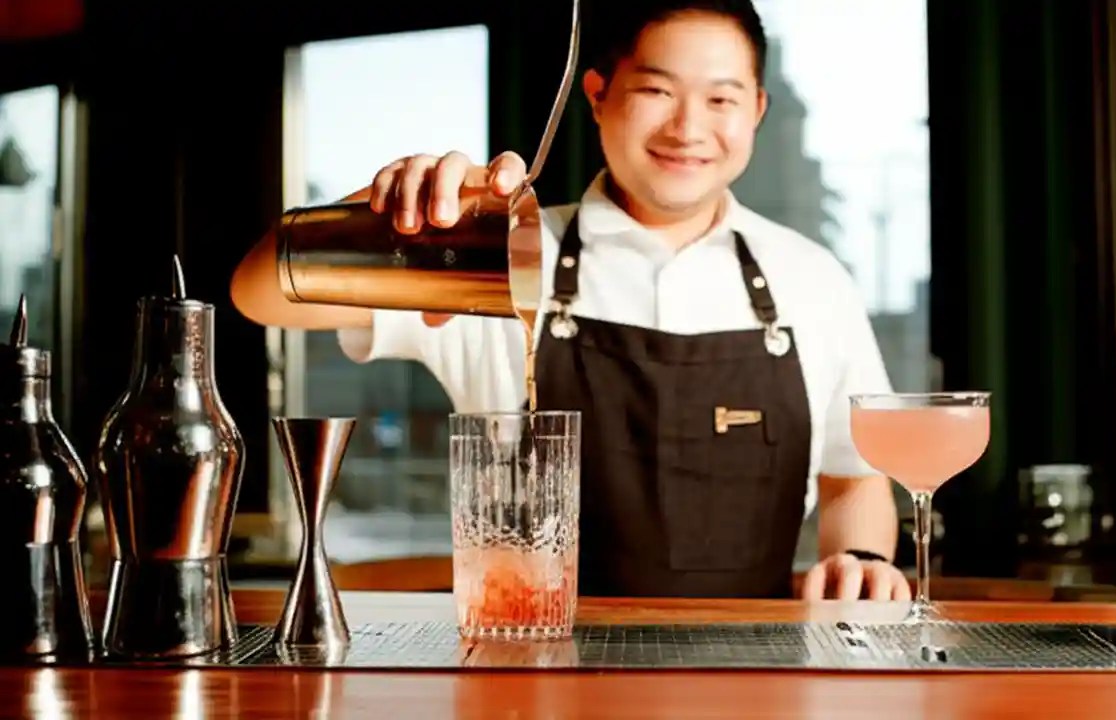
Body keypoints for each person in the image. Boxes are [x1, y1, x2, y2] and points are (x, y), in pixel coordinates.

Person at [231, 0, 910, 601]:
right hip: (526, 667)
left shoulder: (812, 278)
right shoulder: (499, 256)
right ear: (597, 93)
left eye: (721, 99)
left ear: (757, 110)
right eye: (655, 90)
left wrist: (861, 558)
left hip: (751, 676)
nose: (687, 127)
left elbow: (853, 478)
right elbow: (259, 294)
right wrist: (385, 215)